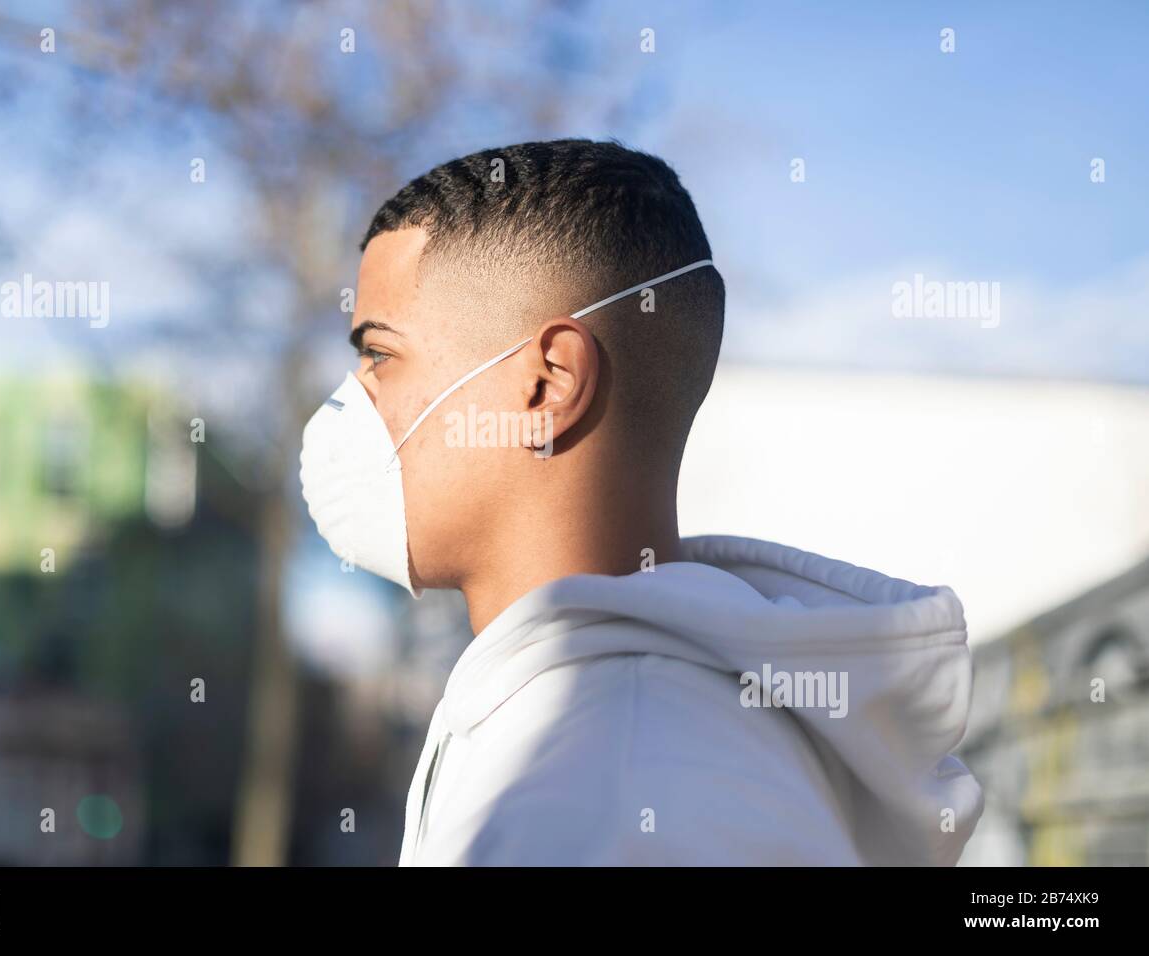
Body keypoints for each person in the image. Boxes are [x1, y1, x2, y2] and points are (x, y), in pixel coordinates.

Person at [299, 139, 983, 866]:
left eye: (378, 355)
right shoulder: (585, 729)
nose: (351, 400)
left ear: (548, 384)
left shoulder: (615, 781)